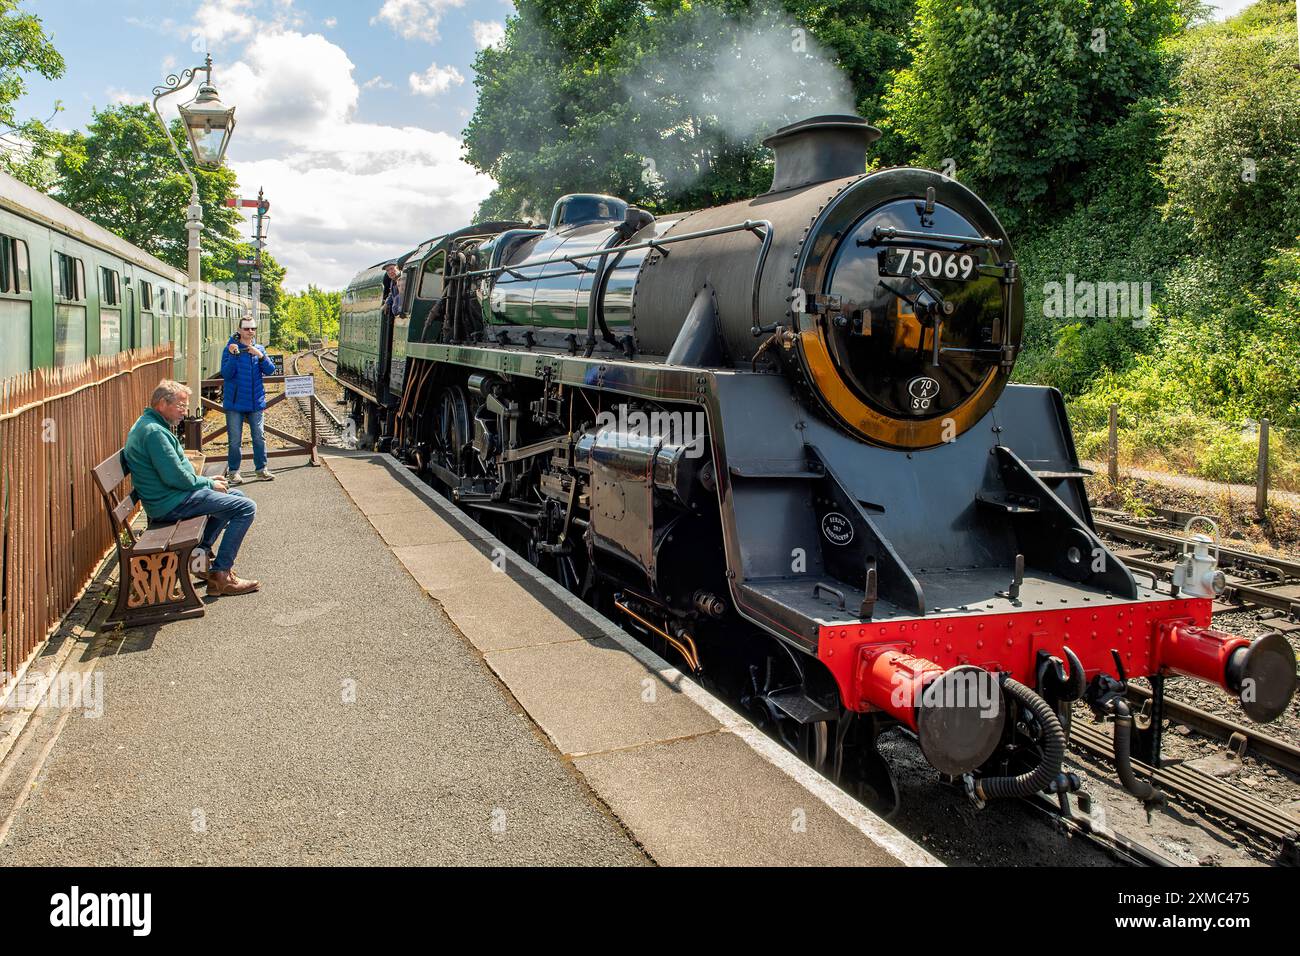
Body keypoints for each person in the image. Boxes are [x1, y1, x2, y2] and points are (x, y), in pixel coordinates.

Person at [124, 380, 260, 596]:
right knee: (245, 507)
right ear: (161, 404)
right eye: (180, 406)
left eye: (185, 406)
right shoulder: (154, 432)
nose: (184, 412)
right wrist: (208, 483)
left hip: (170, 497)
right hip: (170, 503)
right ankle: (221, 575)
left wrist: (206, 482)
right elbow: (177, 477)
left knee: (236, 495)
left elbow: (178, 472)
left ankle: (199, 557)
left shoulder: (152, 424)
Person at [221, 316, 277, 484]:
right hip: (235, 403)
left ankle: (261, 469)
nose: (250, 331)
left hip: (255, 402)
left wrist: (260, 355)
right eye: (246, 328)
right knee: (235, 440)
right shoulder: (229, 349)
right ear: (239, 330)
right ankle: (234, 472)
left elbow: (270, 370)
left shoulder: (259, 348)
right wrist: (233, 356)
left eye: (253, 328)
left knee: (259, 437)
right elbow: (226, 374)